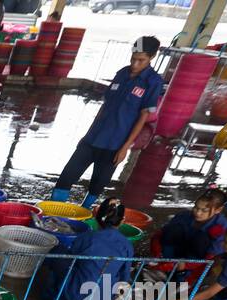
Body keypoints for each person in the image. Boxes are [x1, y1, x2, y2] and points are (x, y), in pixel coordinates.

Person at [51, 37, 162, 209]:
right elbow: (105, 106)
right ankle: (54, 211)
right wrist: (87, 134)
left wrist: (125, 147)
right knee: (66, 177)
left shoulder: (153, 82)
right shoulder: (122, 74)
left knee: (97, 185)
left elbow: (143, 117)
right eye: (133, 59)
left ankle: (83, 213)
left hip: (115, 144)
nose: (135, 64)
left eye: (141, 60)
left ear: (152, 57)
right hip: (93, 138)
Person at [41, 197, 133, 300]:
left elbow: (71, 257)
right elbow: (124, 277)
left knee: (59, 251)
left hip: (74, 297)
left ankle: (52, 294)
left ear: (98, 216)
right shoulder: (127, 245)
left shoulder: (87, 237)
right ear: (122, 219)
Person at [152, 188, 227, 261]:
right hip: (176, 250)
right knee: (174, 229)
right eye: (196, 207)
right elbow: (163, 233)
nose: (198, 213)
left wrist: (186, 264)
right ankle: (166, 260)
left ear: (218, 210)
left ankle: (184, 271)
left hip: (197, 259)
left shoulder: (223, 226)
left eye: (204, 210)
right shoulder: (184, 216)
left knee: (201, 238)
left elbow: (213, 253)